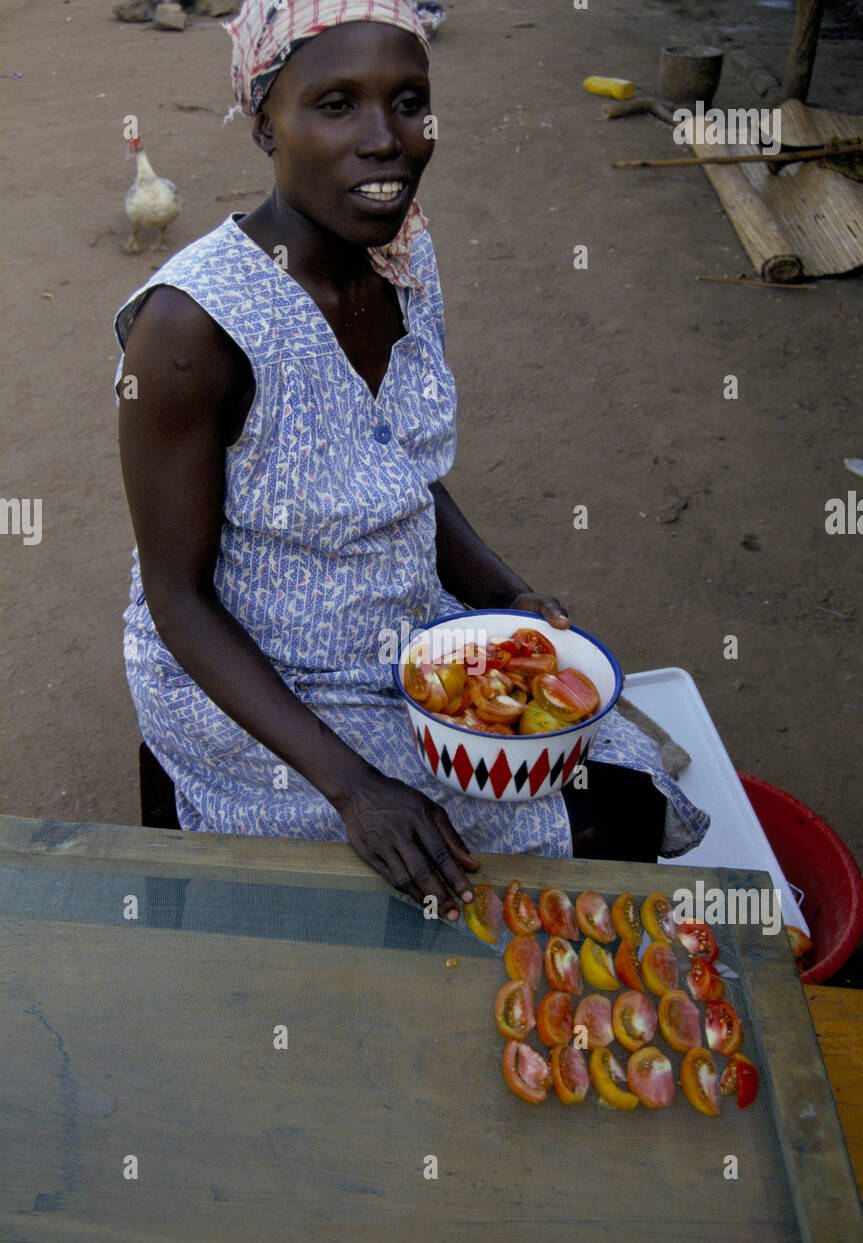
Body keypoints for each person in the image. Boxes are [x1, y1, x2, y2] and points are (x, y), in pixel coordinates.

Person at [115, 0, 708, 926]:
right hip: (257, 687)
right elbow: (176, 598)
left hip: (400, 633)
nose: (385, 139)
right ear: (266, 120)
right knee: (581, 825)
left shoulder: (402, 257)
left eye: (408, 101)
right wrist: (355, 789)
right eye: (337, 104)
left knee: (613, 773)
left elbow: (399, 470)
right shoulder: (190, 329)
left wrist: (506, 595)